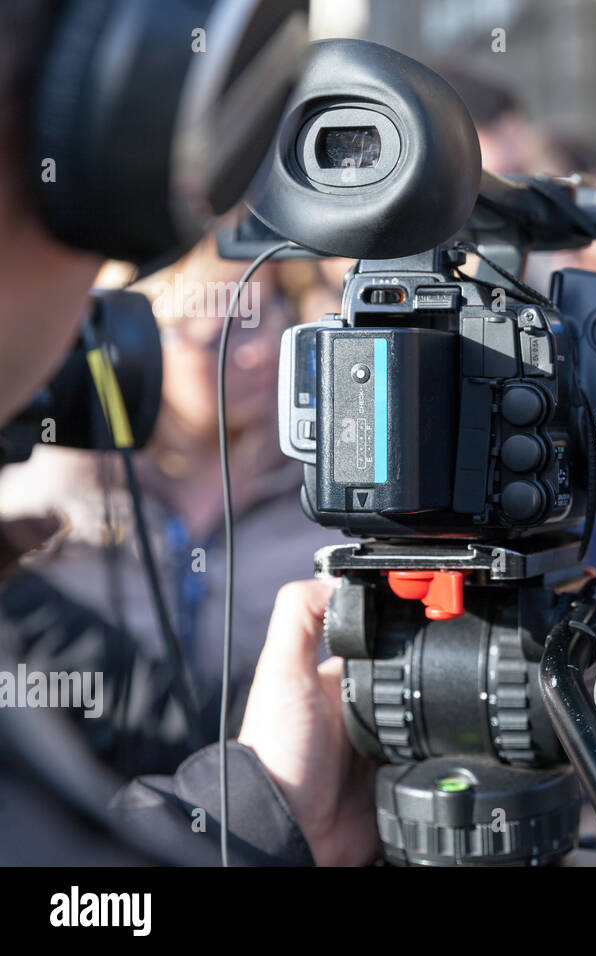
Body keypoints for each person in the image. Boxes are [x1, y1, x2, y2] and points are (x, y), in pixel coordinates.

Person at [0, 0, 375, 866]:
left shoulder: (343, 506)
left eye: (250, 314)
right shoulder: (46, 512)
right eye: (192, 313)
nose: (217, 338)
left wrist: (265, 808)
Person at [0, 236, 342, 777]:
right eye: (219, 336)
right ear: (131, 346)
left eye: (265, 312)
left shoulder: (335, 496)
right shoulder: (35, 503)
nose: (257, 351)